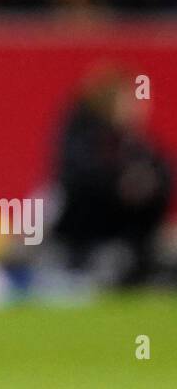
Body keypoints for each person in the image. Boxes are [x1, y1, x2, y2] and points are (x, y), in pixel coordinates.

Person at [51, 69, 172, 288]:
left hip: (130, 236)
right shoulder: (83, 138)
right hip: (82, 233)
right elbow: (79, 180)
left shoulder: (136, 143)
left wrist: (147, 185)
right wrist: (119, 186)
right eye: (128, 100)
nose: (136, 107)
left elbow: (163, 174)